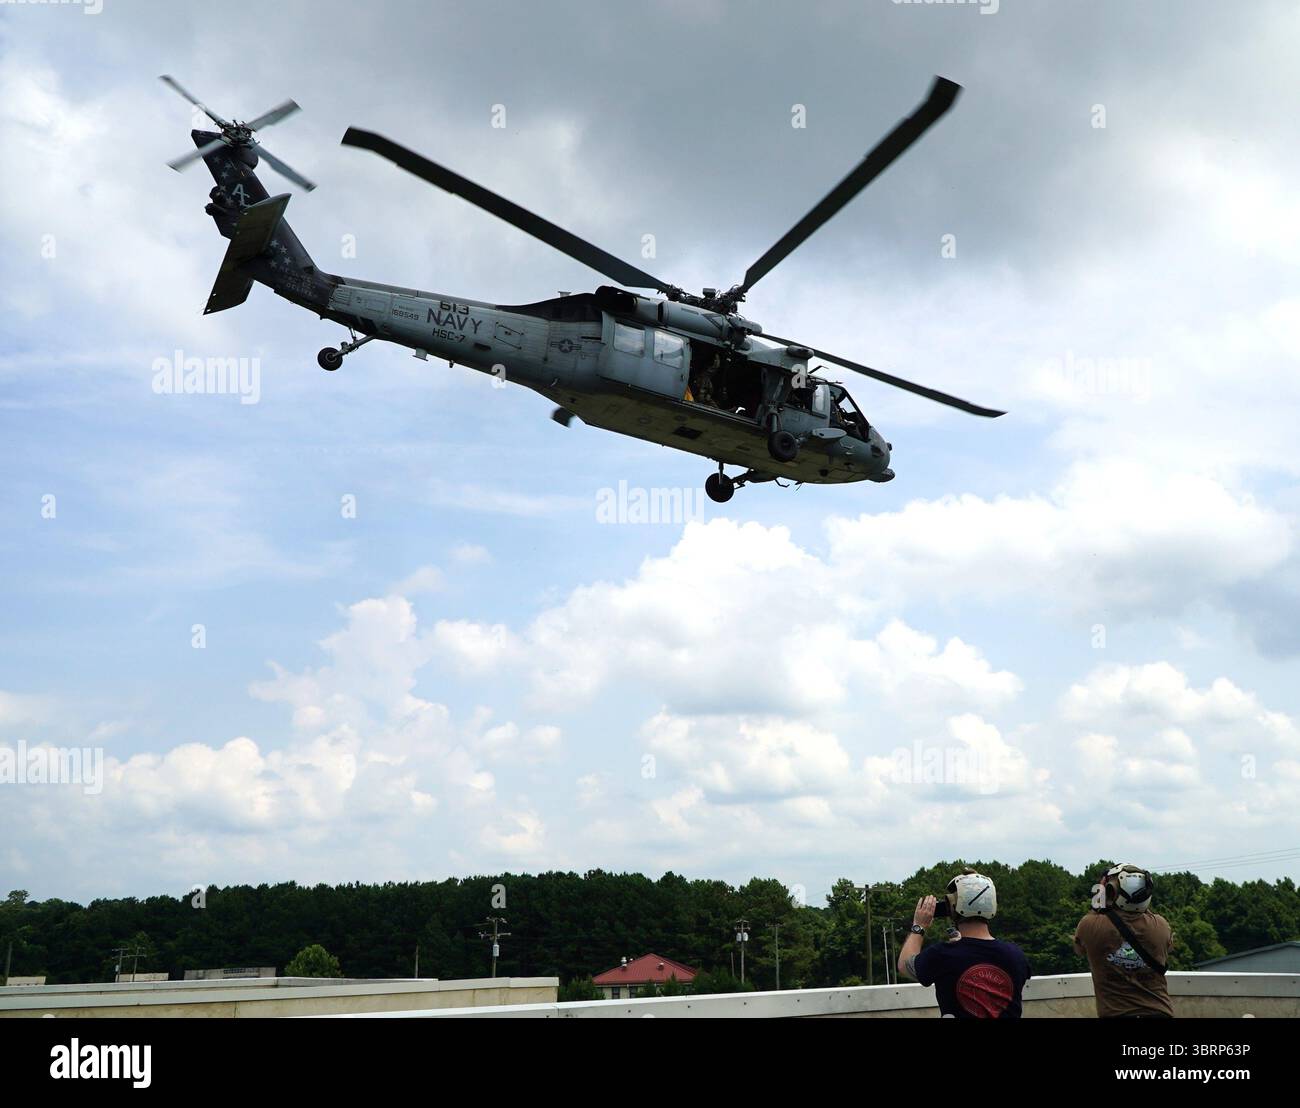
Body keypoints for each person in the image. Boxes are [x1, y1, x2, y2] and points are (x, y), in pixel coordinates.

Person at [897, 868, 1032, 1018]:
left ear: (954, 908)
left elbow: (904, 965)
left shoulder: (943, 955)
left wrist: (919, 926)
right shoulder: (1017, 956)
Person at [1073, 863, 1174, 1019]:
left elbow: (1079, 950)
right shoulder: (1161, 925)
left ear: (1110, 892)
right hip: (1159, 1013)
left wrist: (1099, 897)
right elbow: (1168, 948)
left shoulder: (1090, 925)